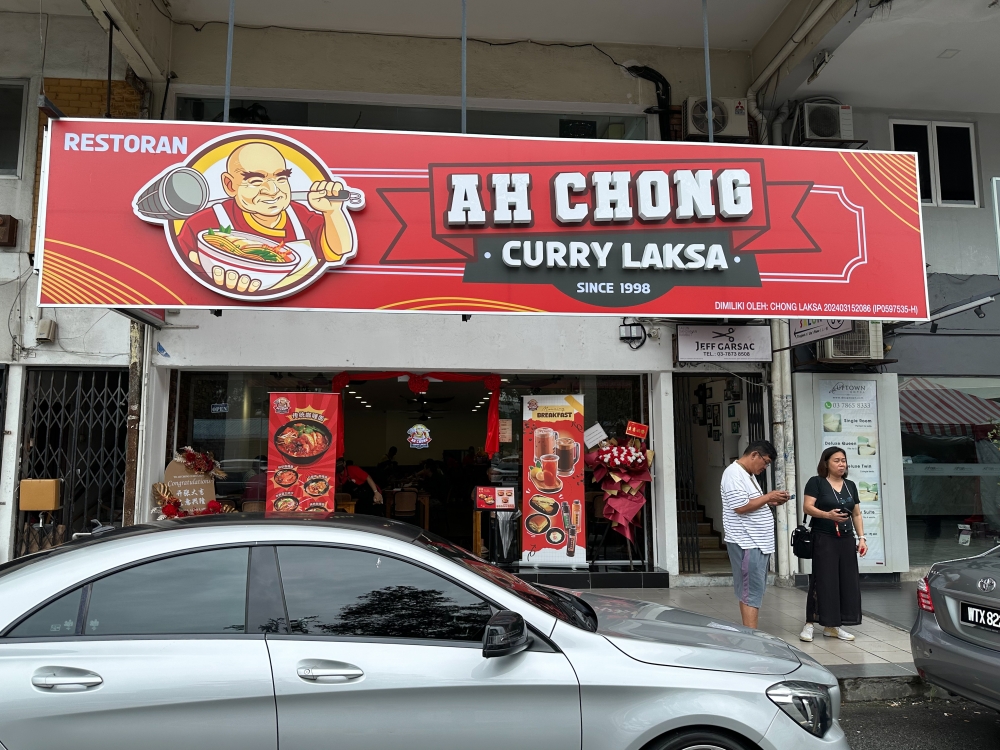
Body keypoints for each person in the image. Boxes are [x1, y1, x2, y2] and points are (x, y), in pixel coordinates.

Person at [176, 141, 356, 267]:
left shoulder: (299, 217)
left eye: (281, 178)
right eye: (255, 181)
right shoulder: (202, 224)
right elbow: (184, 263)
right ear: (229, 185)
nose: (272, 189)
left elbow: (341, 251)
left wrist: (332, 213)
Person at [799, 446, 867, 642]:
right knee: (822, 579)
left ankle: (834, 625)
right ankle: (810, 623)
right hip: (824, 537)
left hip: (846, 539)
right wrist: (827, 515)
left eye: (843, 460)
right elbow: (807, 507)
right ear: (826, 463)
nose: (841, 464)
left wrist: (862, 538)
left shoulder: (850, 485)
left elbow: (856, 513)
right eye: (836, 460)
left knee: (845, 581)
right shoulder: (817, 482)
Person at [721, 440, 790, 629]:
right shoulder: (734, 473)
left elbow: (749, 502)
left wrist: (769, 501)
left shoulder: (746, 474)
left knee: (753, 590)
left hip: (755, 542)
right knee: (750, 592)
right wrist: (768, 497)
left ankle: (749, 634)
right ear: (754, 455)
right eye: (765, 462)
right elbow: (741, 507)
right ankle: (750, 637)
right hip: (747, 542)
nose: (765, 467)